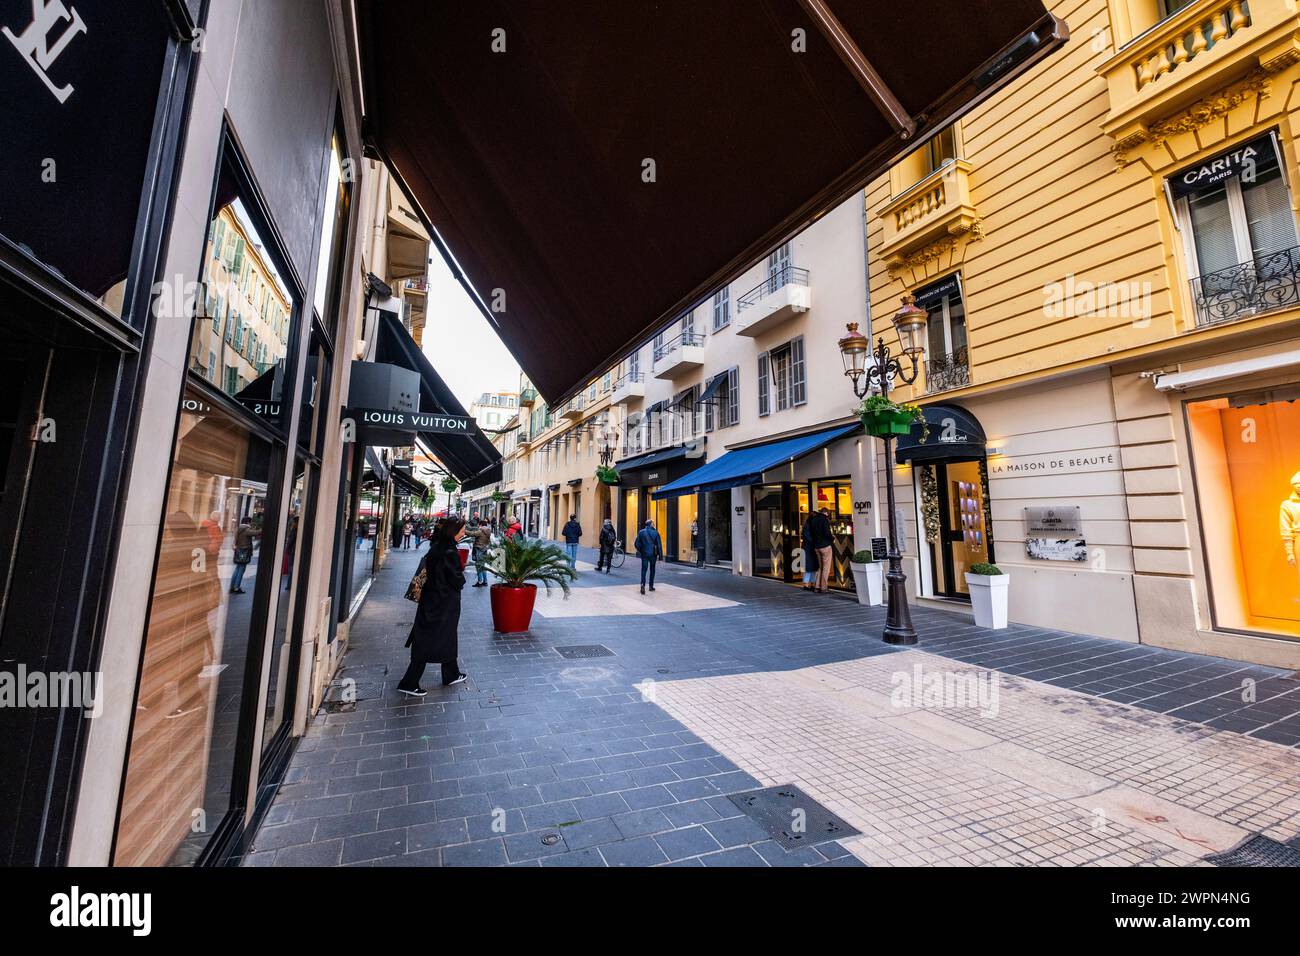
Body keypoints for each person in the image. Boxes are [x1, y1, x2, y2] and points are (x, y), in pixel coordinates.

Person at [398, 516, 469, 696]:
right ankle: (409, 681)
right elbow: (457, 580)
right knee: (430, 639)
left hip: (432, 600)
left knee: (446, 636)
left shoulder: (436, 547)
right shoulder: (450, 552)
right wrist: (462, 572)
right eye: (461, 530)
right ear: (453, 531)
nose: (463, 533)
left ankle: (451, 673)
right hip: (443, 603)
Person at [808, 507, 835, 593]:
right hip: (825, 546)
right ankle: (823, 588)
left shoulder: (813, 520)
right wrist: (832, 538)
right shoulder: (825, 520)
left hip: (816, 546)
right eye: (828, 514)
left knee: (821, 567)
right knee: (826, 568)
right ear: (826, 513)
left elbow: (811, 534)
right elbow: (827, 533)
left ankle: (817, 587)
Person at [230, 518, 259, 594]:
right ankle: (237, 587)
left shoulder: (239, 528)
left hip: (238, 551)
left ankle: (232, 586)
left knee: (237, 569)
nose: (250, 524)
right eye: (250, 522)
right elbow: (256, 533)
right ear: (248, 522)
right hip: (244, 551)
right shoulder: (246, 529)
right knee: (241, 569)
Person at [635, 518, 663, 594]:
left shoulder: (641, 532)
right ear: (651, 524)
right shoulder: (656, 533)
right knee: (652, 570)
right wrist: (660, 557)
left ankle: (642, 585)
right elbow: (659, 546)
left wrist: (641, 550)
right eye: (653, 523)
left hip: (644, 553)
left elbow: (636, 544)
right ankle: (651, 586)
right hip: (653, 554)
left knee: (644, 570)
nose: (654, 524)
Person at [800, 515, 820, 591]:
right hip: (809, 549)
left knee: (812, 567)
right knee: (810, 567)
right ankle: (807, 584)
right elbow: (808, 538)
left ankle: (810, 584)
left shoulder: (807, 526)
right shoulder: (808, 527)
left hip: (809, 548)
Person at [471, 518, 492, 587]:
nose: (478, 526)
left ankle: (480, 581)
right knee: (483, 566)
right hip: (484, 549)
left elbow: (472, 534)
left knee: (479, 565)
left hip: (479, 548)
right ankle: (485, 581)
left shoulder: (481, 531)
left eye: (478, 525)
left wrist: (463, 530)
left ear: (481, 525)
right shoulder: (488, 531)